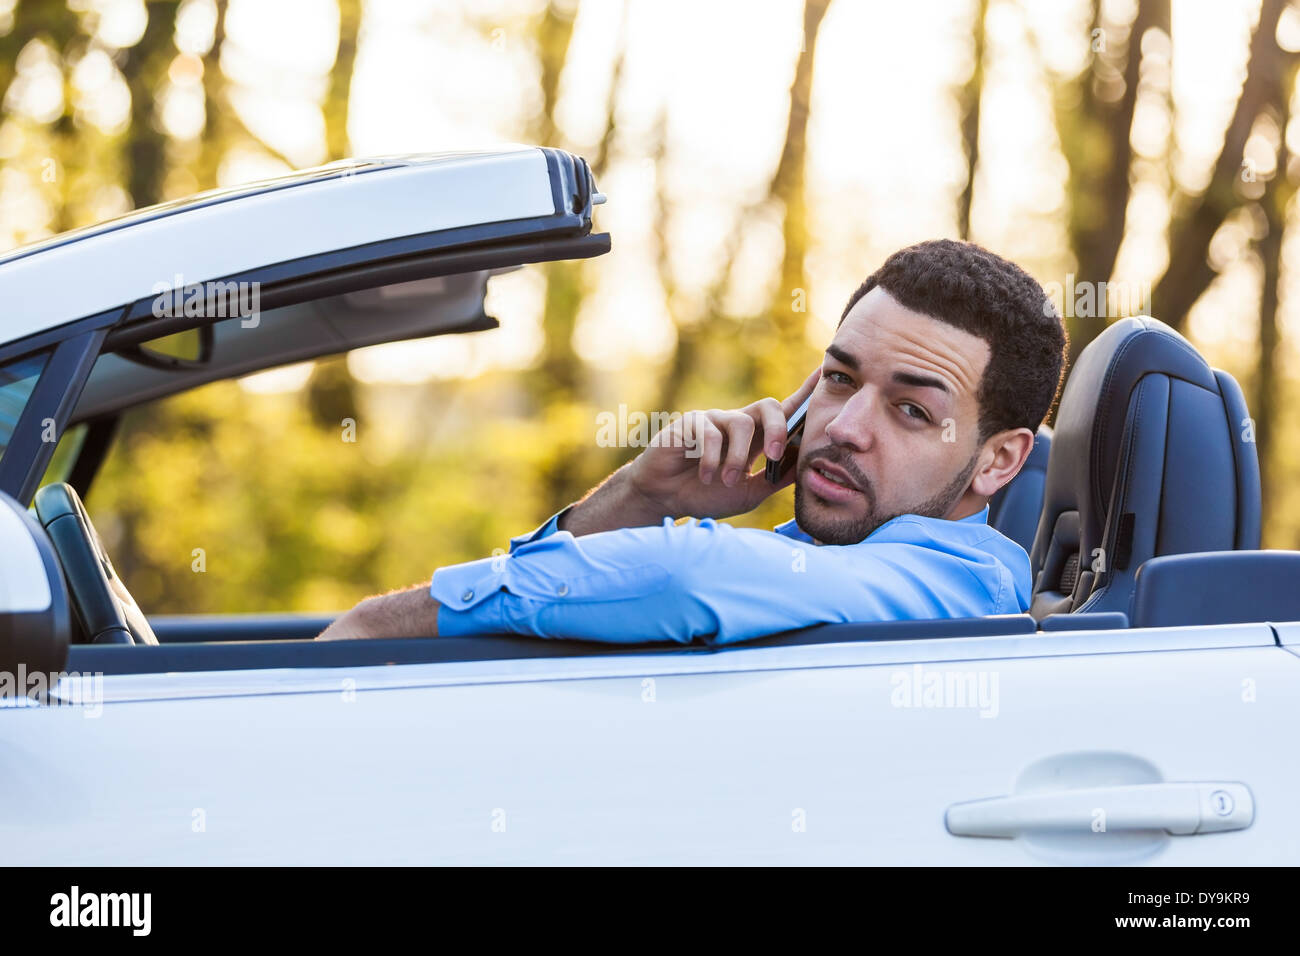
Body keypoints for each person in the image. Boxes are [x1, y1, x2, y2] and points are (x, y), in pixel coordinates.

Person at [316, 239, 1067, 645]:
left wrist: (374, 627)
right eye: (840, 379)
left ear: (999, 459)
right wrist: (645, 496)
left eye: (909, 410)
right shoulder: (837, 556)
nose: (842, 429)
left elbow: (684, 575)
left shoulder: (961, 587)